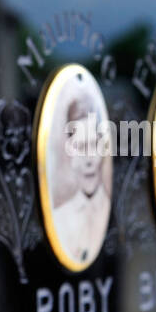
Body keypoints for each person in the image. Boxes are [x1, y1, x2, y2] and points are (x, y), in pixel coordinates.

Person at [51, 92, 111, 265]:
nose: (89, 160)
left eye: (94, 145)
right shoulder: (61, 216)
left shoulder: (109, 210)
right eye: (80, 148)